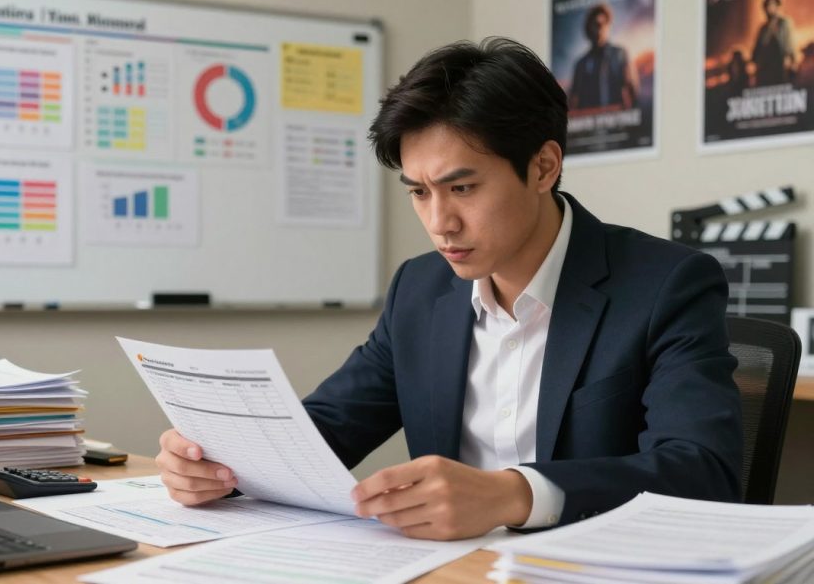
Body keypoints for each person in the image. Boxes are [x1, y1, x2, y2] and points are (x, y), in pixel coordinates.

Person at [155, 38, 743, 540]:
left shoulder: (665, 284)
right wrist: (217, 465)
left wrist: (514, 494)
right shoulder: (420, 288)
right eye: (419, 192)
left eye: (462, 189)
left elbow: (703, 471)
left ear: (543, 167)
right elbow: (324, 432)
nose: (440, 223)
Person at [569, 3, 639, 110]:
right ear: (589, 28)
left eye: (604, 24)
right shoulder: (581, 64)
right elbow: (574, 100)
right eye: (596, 24)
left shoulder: (620, 54)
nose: (600, 29)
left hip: (617, 118)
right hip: (590, 119)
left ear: (608, 26)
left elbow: (632, 90)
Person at [751, 0, 796, 86]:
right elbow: (758, 47)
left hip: (780, 63)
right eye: (768, 6)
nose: (770, 8)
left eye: (772, 5)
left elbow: (789, 42)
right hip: (766, 66)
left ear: (777, 6)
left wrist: (791, 59)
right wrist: (753, 62)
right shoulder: (763, 28)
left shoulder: (784, 23)